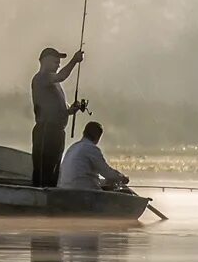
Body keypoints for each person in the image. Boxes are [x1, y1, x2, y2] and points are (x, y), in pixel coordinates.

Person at [29, 47, 86, 188]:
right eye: (55, 61)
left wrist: (70, 110)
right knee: (44, 171)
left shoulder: (54, 83)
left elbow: (59, 108)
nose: (59, 64)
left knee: (54, 170)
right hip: (45, 131)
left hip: (57, 132)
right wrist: (74, 60)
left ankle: (51, 200)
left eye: (59, 62)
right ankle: (39, 198)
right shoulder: (41, 77)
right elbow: (61, 76)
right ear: (44, 60)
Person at [58, 121, 128, 191]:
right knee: (121, 190)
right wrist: (122, 178)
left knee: (109, 183)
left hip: (66, 190)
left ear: (84, 133)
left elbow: (82, 177)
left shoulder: (72, 147)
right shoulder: (91, 148)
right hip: (84, 192)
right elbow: (106, 172)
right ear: (98, 137)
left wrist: (107, 181)